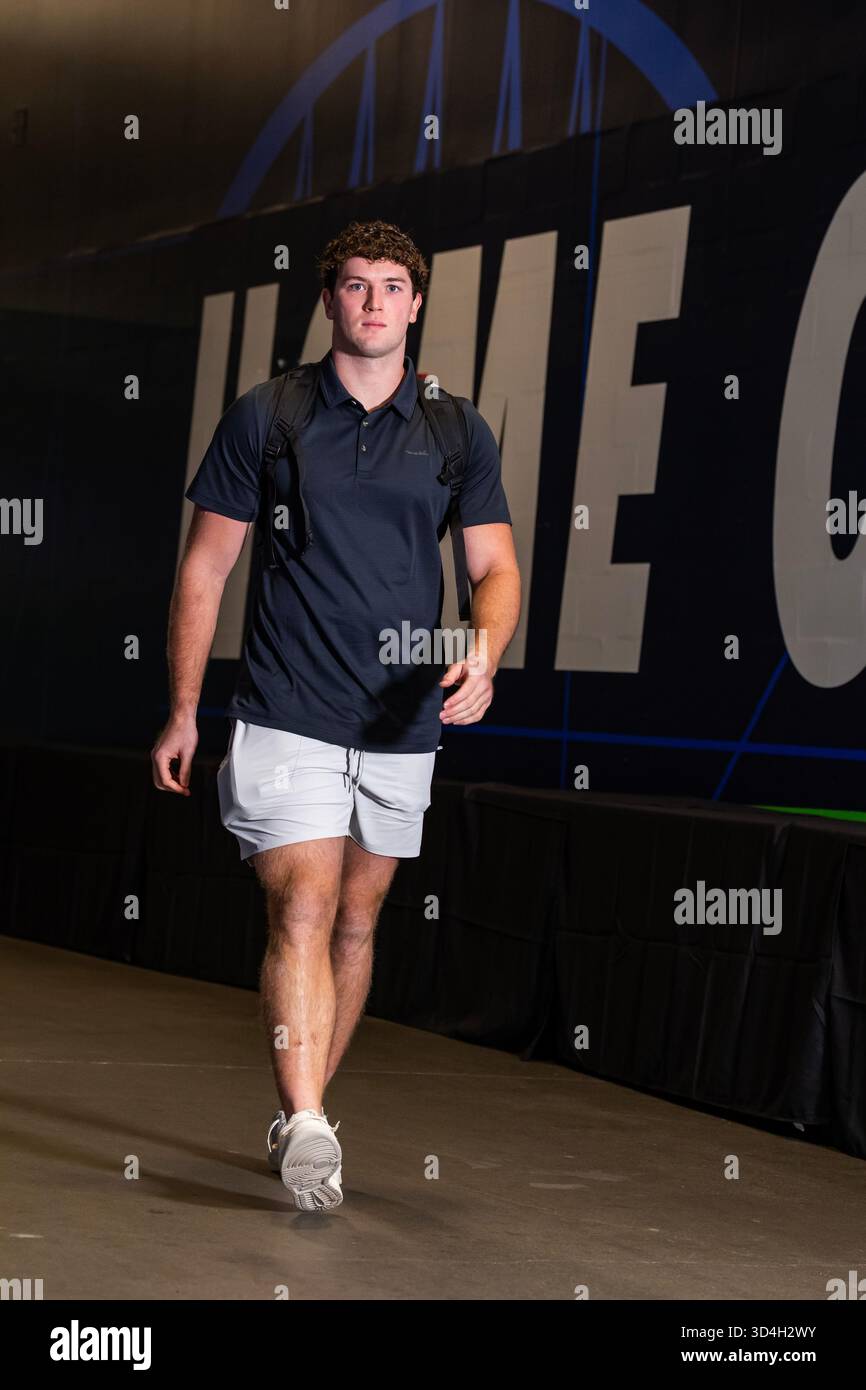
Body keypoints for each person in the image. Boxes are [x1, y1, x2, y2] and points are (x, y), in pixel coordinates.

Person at [151, 219, 520, 1211]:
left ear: (413, 304)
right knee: (302, 905)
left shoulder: (455, 429)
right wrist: (184, 707)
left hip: (401, 723)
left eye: (390, 286)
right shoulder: (267, 416)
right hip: (283, 706)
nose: (370, 302)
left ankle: (301, 1110)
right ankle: (310, 1118)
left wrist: (482, 648)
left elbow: (492, 568)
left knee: (356, 920)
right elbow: (206, 566)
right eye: (353, 285)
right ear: (327, 301)